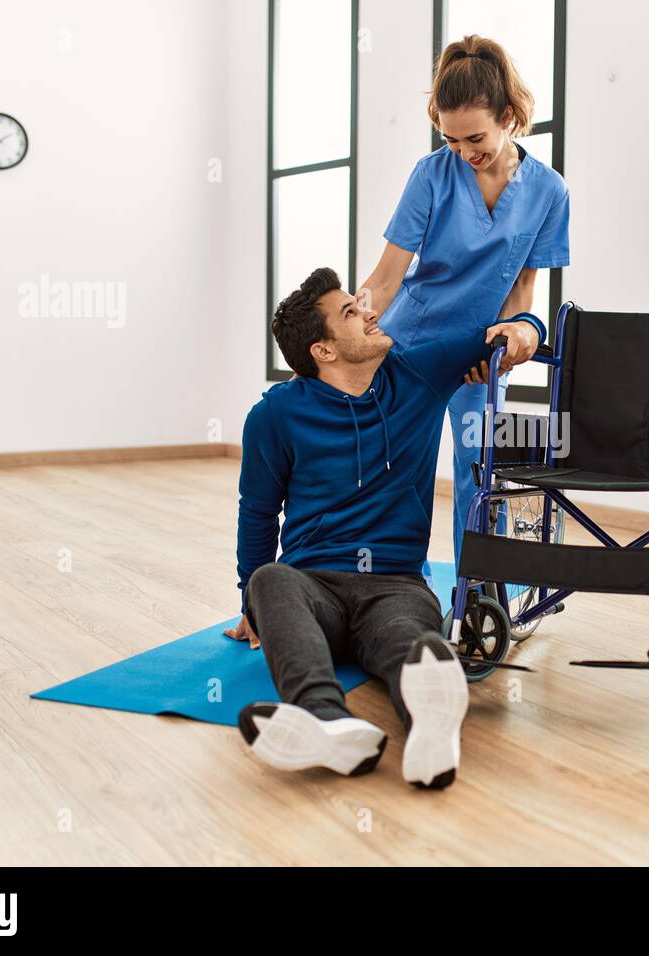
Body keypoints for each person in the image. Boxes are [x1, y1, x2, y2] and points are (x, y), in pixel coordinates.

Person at [227, 266, 543, 790]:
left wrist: (525, 331)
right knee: (268, 581)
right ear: (323, 351)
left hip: (395, 583)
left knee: (411, 643)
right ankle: (327, 725)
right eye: (351, 313)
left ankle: (431, 726)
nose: (371, 311)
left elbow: (510, 329)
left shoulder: (418, 373)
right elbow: (257, 512)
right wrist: (250, 604)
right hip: (312, 585)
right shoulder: (275, 415)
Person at [355, 34, 570, 568]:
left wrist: (506, 343)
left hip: (478, 356)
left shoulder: (549, 192)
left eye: (474, 137)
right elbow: (386, 277)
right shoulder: (432, 175)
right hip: (410, 345)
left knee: (478, 469)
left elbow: (523, 292)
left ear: (509, 115)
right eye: (450, 140)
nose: (463, 152)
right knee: (403, 470)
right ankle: (403, 587)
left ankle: (476, 592)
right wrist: (349, 326)